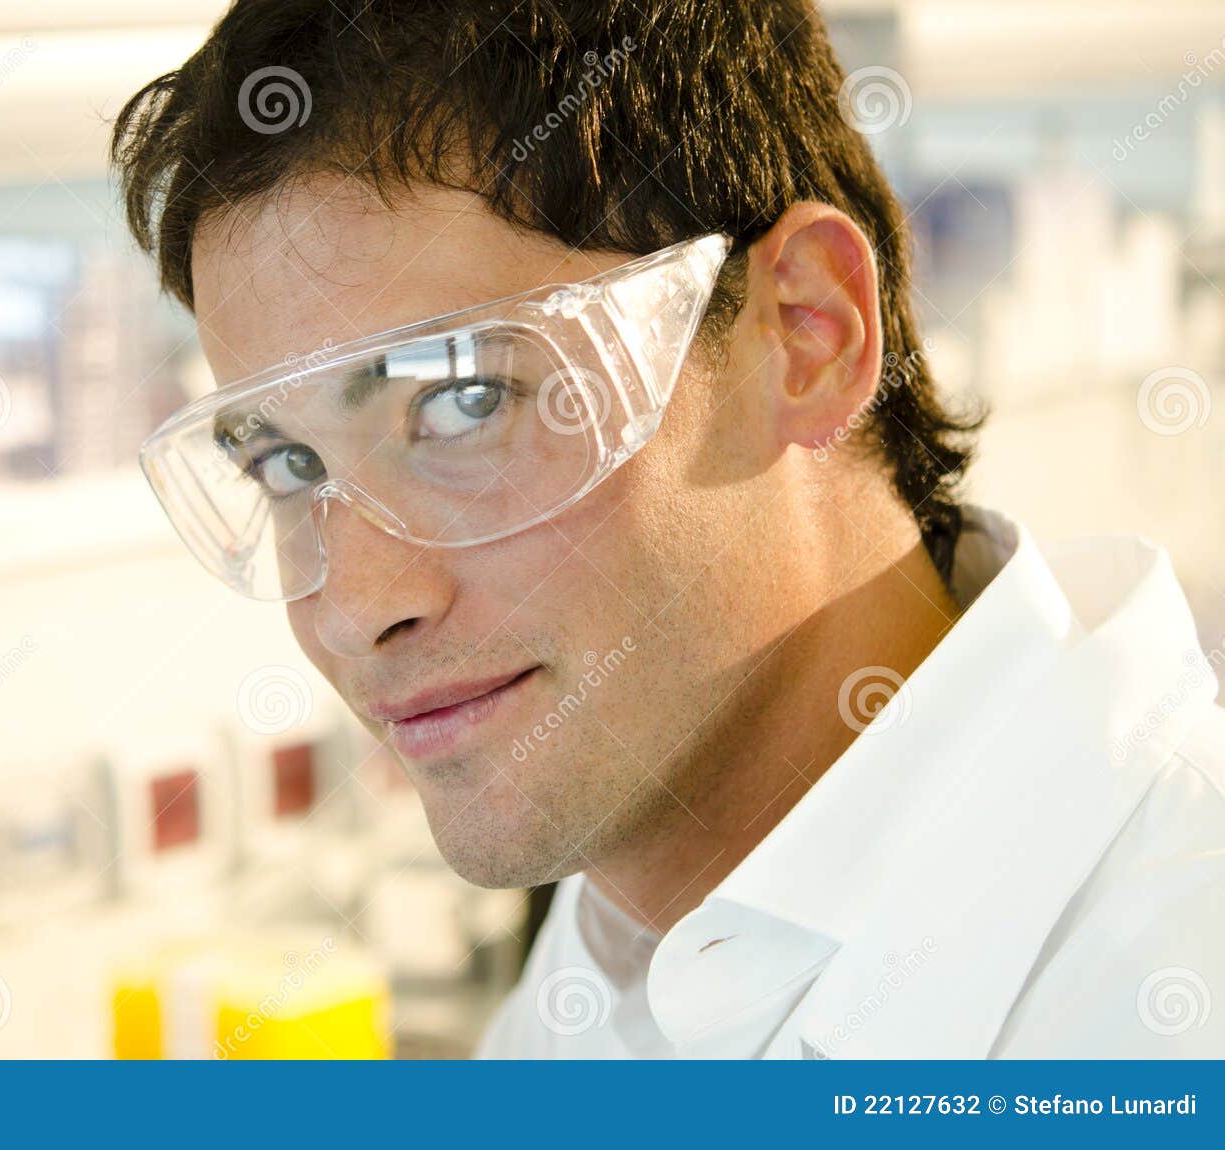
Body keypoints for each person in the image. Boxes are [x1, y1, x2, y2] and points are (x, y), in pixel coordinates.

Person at [110, 0, 1225, 1057]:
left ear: (806, 332)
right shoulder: (621, 928)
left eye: (465, 400)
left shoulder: (1169, 980)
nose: (354, 607)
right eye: (286, 462)